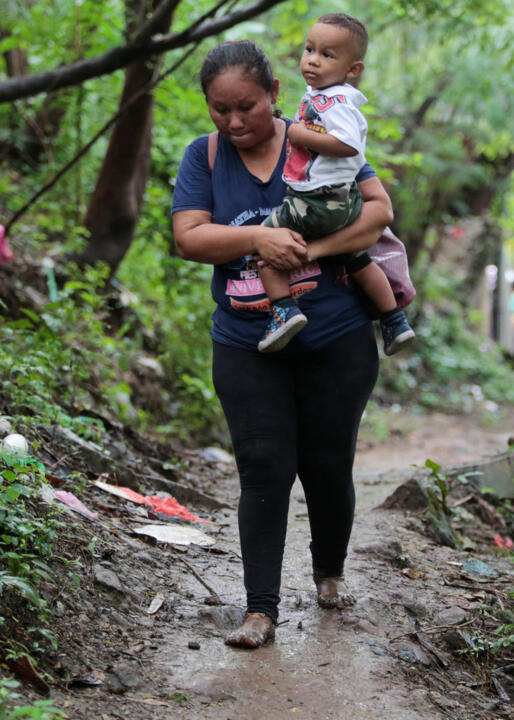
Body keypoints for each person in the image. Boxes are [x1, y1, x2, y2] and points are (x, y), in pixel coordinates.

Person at [170, 40, 393, 649]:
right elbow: (189, 238)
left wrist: (313, 250)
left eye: (247, 106)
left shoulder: (317, 135)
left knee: (326, 465)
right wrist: (258, 243)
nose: (235, 122)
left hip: (336, 335)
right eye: (221, 110)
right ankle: (260, 610)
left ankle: (328, 574)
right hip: (247, 341)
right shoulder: (205, 157)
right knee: (264, 466)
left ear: (273, 92)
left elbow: (377, 210)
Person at [255, 13, 415, 355]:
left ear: (353, 69)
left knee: (265, 244)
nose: (313, 59)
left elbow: (348, 144)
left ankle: (283, 310)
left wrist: (300, 133)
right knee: (357, 258)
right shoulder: (324, 96)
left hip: (317, 203)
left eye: (327, 55)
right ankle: (393, 319)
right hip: (343, 203)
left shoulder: (335, 101)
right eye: (310, 49)